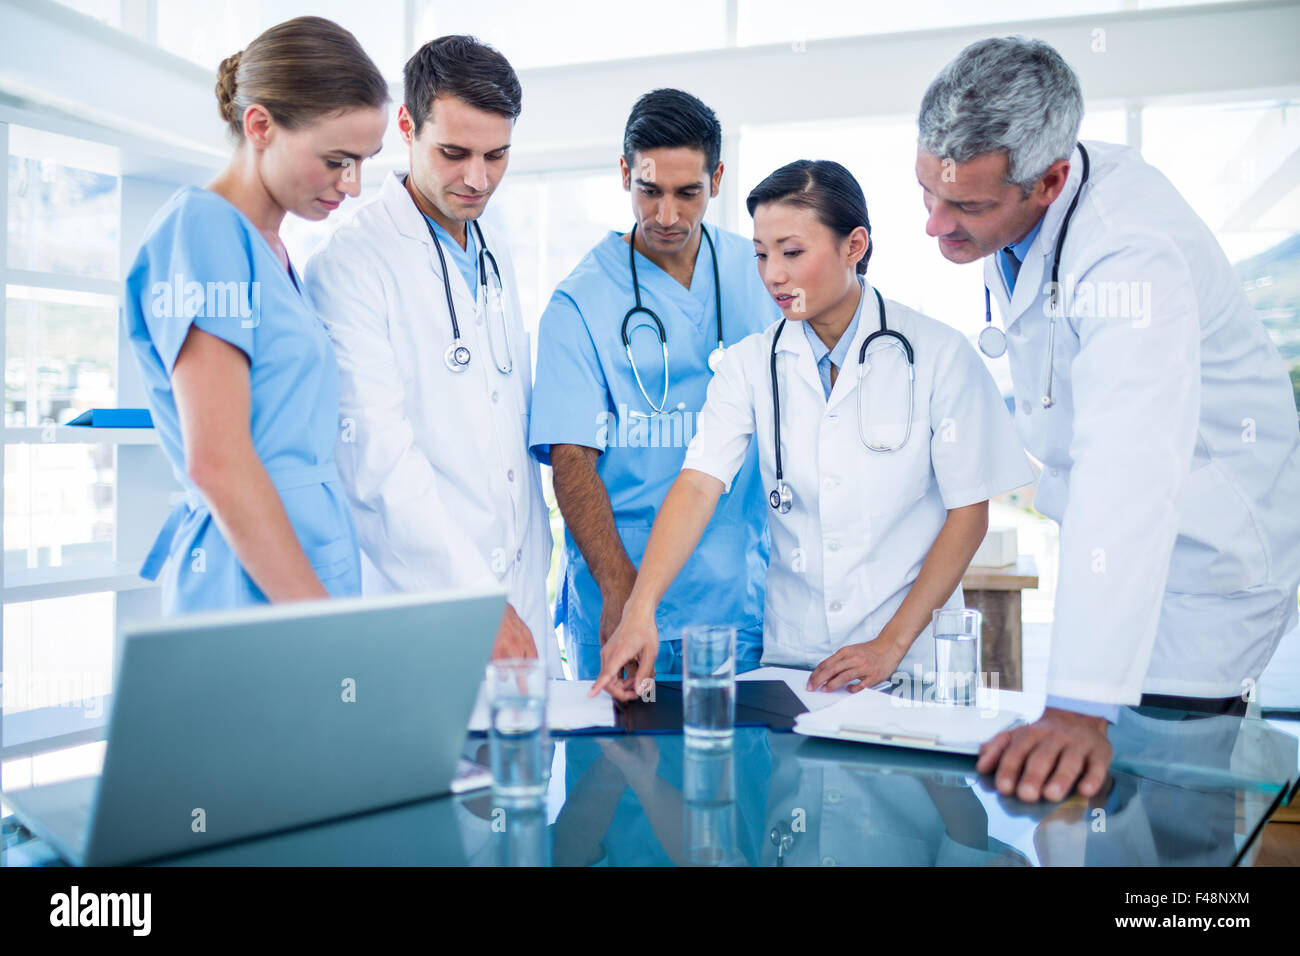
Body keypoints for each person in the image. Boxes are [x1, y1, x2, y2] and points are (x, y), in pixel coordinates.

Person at [915, 36, 1300, 803]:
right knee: (1112, 807)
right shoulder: (1028, 198)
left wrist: (1077, 705)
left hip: (1205, 562)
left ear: (1051, 180)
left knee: (1165, 808)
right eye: (928, 192)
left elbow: (1129, 468)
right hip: (1133, 557)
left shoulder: (1131, 249)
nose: (936, 226)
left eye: (968, 206)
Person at [594, 160, 1034, 700]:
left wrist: (889, 645)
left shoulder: (939, 355)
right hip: (796, 665)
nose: (773, 274)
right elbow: (698, 484)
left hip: (909, 666)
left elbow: (969, 514)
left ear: (854, 245)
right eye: (761, 254)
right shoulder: (749, 364)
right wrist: (640, 609)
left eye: (792, 251)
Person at [305, 35, 555, 669]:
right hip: (426, 613)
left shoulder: (496, 252)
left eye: (497, 155)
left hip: (522, 603)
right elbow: (376, 464)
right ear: (407, 126)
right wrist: (474, 599)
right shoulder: (352, 267)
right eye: (454, 153)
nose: (478, 179)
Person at [124, 17, 389, 613]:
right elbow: (218, 459)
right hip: (251, 581)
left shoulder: (275, 253)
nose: (352, 185)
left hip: (306, 564)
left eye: (363, 161)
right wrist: (316, 618)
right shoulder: (203, 230)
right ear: (260, 125)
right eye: (336, 160)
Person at [528, 89, 777, 679]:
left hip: (737, 597)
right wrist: (622, 594)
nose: (667, 215)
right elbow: (571, 461)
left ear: (717, 178)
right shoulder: (579, 302)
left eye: (688, 193)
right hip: (621, 586)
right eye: (650, 190)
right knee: (617, 766)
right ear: (624, 174)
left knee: (738, 768)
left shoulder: (762, 272)